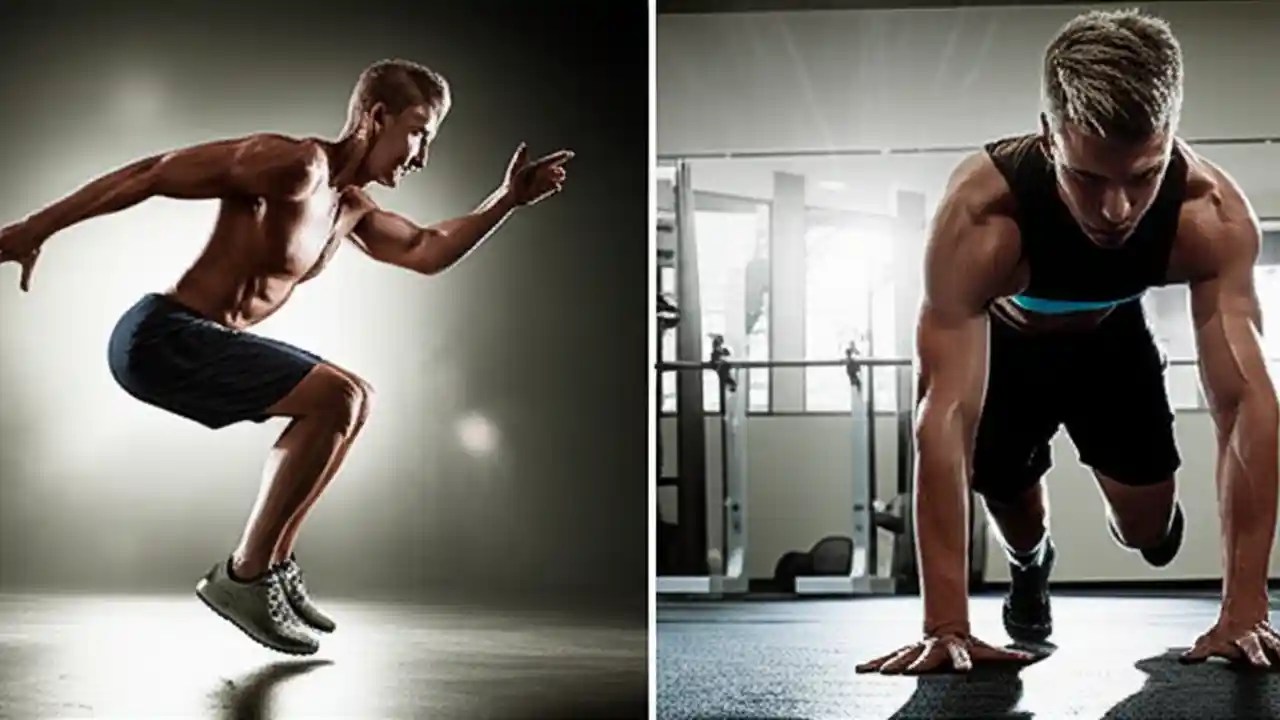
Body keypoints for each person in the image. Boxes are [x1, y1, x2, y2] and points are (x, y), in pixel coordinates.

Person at [0, 59, 574, 656]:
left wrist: (506, 201)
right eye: (419, 133)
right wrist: (34, 229)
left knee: (356, 400)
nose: (422, 155)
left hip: (201, 342)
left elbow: (427, 250)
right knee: (339, 396)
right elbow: (153, 172)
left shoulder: (348, 207)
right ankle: (245, 576)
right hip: (159, 337)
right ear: (377, 118)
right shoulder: (295, 164)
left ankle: (270, 567)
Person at [858, 9, 1279, 675]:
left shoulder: (1208, 216)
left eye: (1143, 176)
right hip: (1005, 352)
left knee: (1151, 536)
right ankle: (1031, 564)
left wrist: (1246, 610)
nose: (1117, 210)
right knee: (1011, 503)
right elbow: (943, 416)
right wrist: (946, 625)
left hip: (1112, 346)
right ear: (1050, 136)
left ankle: (1135, 519)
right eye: (1089, 178)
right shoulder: (982, 214)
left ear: (1169, 137)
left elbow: (1247, 403)